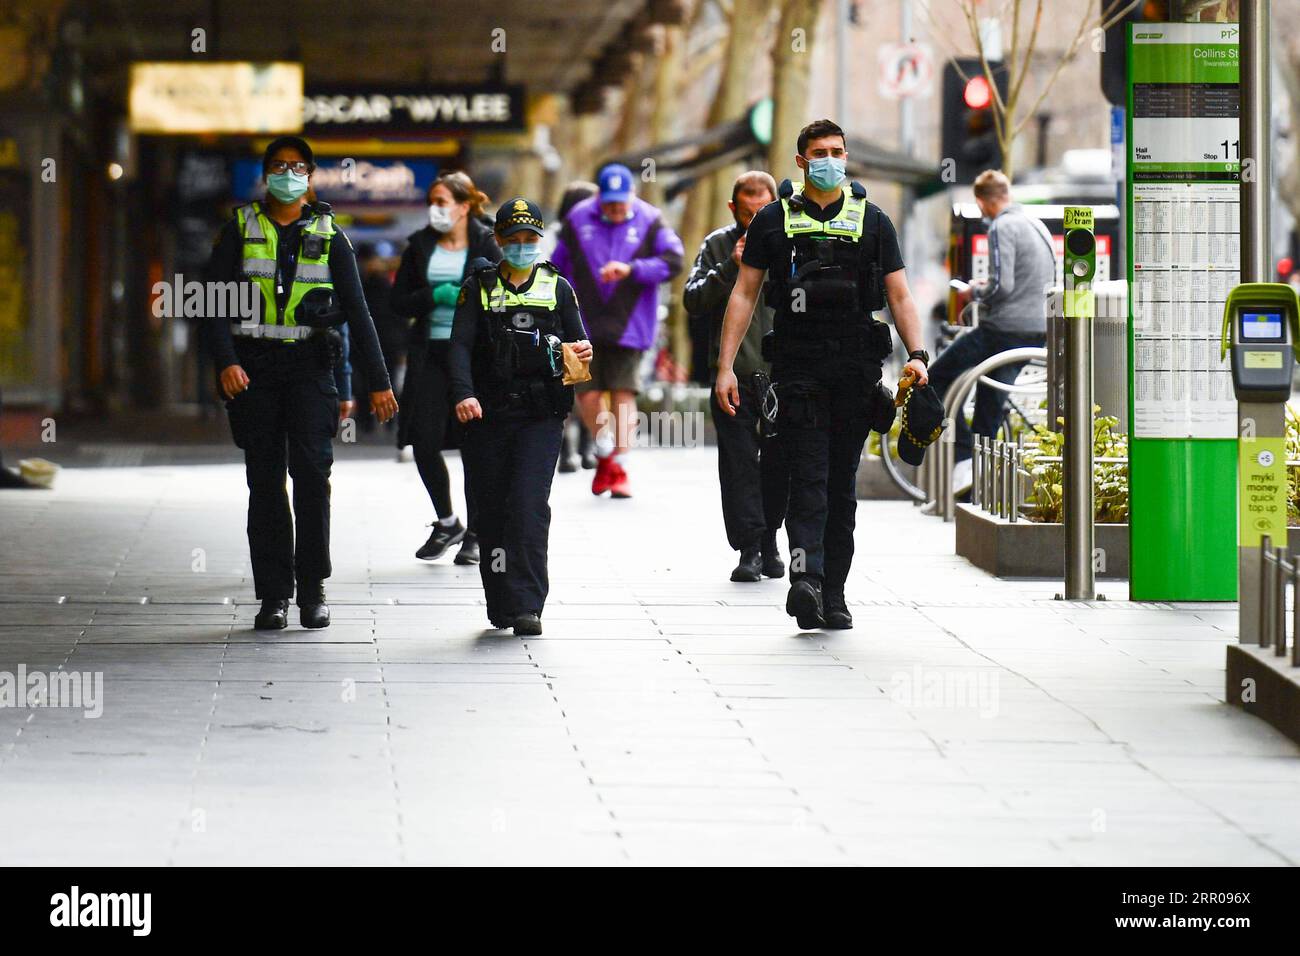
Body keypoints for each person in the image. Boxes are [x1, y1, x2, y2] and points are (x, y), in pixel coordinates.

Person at [715, 119, 930, 631]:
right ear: (801, 162)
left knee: (840, 484)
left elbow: (899, 295)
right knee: (807, 475)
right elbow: (744, 294)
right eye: (819, 152)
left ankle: (834, 593)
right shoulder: (772, 221)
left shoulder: (874, 221)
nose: (829, 160)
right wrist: (726, 367)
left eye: (837, 151)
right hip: (798, 370)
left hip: (856, 372)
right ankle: (804, 580)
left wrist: (918, 354)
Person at [204, 135, 398, 631]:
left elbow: (359, 312)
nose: (288, 174)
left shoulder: (332, 235)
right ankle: (273, 596)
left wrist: (377, 383)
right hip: (254, 371)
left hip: (312, 369)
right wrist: (225, 361)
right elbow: (211, 304)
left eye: (297, 167)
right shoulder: (239, 229)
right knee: (264, 482)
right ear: (265, 174)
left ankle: (312, 589)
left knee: (312, 476)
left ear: (310, 176)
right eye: (278, 166)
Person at [449, 198, 592, 636]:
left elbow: (579, 347)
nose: (523, 246)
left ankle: (528, 604)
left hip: (539, 416)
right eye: (514, 240)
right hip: (487, 414)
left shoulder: (558, 287)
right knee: (491, 509)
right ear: (498, 241)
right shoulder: (478, 286)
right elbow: (457, 346)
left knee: (529, 506)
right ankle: (501, 601)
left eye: (531, 239)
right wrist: (464, 395)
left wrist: (581, 354)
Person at [551, 163, 684, 498]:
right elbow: (556, 266)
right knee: (587, 392)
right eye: (608, 203)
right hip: (581, 323)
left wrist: (632, 270)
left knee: (624, 391)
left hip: (631, 323)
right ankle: (605, 449)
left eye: (620, 204)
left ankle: (619, 465)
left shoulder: (651, 220)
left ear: (632, 196)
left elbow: (674, 260)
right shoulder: (578, 218)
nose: (614, 210)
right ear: (598, 197)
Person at [684, 170, 789, 583]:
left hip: (782, 374)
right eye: (747, 208)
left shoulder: (790, 241)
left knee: (780, 463)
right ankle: (749, 547)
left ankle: (771, 540)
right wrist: (730, 267)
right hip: (734, 375)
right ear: (734, 208)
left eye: (763, 207)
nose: (755, 214)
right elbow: (693, 300)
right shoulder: (717, 245)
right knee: (740, 464)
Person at [391, 172, 500, 565]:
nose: (435, 208)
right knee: (423, 439)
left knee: (476, 443)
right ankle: (447, 519)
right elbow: (398, 301)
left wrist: (471, 299)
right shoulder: (420, 244)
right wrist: (432, 295)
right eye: (431, 201)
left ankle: (476, 531)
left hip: (474, 357)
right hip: (430, 353)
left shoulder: (489, 241)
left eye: (443, 201)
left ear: (464, 205)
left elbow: (503, 295)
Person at [933, 169, 1055, 495]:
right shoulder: (1036, 225)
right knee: (988, 408)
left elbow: (1002, 285)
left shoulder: (1002, 226)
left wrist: (973, 292)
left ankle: (961, 459)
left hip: (1003, 329)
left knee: (937, 379)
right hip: (1035, 330)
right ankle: (976, 492)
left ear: (983, 202)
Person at [551, 180, 599, 473]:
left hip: (592, 319)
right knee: (575, 384)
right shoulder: (565, 237)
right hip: (570, 319)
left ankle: (583, 445)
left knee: (585, 387)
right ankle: (572, 447)